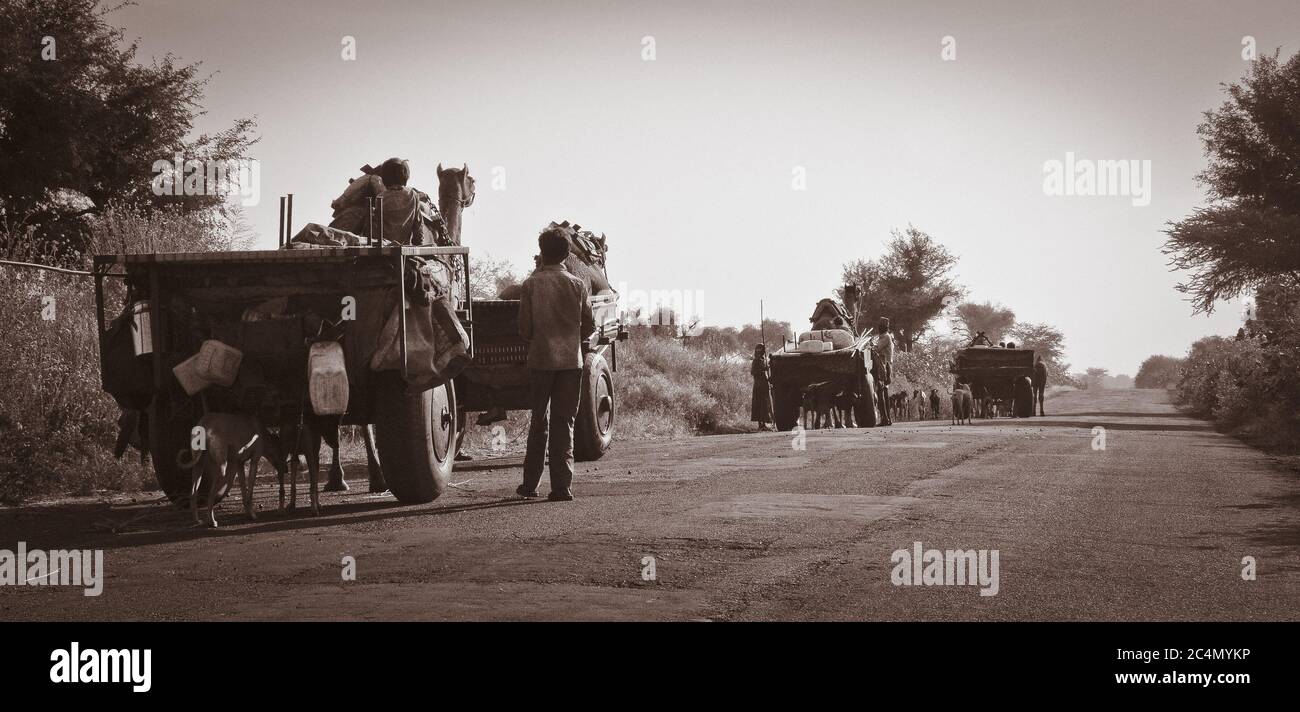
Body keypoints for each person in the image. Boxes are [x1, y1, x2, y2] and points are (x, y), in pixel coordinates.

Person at [515, 226, 595, 502]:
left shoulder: (530, 285)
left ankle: (530, 485)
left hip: (540, 362)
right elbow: (589, 326)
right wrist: (572, 340)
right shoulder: (578, 285)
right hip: (571, 363)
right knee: (565, 423)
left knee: (539, 422)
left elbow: (524, 329)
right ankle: (562, 487)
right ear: (566, 254)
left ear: (541, 252)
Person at [375, 157, 443, 245]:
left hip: (385, 247)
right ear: (405, 176)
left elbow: (376, 226)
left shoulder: (380, 197)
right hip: (405, 247)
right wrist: (419, 245)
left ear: (385, 178)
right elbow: (418, 225)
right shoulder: (413, 195)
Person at [871, 317, 894, 426]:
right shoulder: (884, 337)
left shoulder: (885, 337)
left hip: (884, 367)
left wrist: (871, 345)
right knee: (884, 393)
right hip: (885, 366)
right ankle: (887, 419)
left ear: (882, 328)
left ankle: (885, 419)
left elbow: (877, 349)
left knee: (881, 393)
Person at [750, 344, 775, 431]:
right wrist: (763, 369)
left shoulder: (763, 360)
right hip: (758, 385)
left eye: (760, 348)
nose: (758, 350)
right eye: (757, 348)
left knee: (765, 404)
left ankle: (765, 424)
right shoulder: (756, 361)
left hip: (764, 384)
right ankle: (761, 424)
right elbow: (753, 372)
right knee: (759, 404)